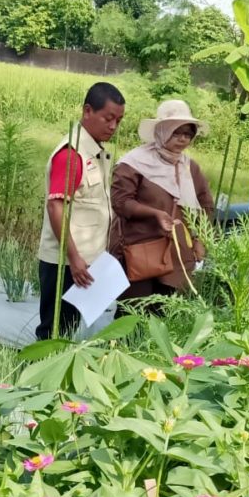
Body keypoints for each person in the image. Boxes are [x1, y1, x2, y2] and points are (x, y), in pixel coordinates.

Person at [35, 82, 125, 340]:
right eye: (108, 118)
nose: (113, 126)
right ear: (87, 111)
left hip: (85, 262)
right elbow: (55, 206)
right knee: (54, 332)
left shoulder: (95, 153)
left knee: (67, 329)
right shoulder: (71, 155)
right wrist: (74, 258)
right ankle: (40, 366)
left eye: (118, 121)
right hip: (66, 263)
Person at [109, 100, 213, 315]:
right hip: (139, 249)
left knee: (163, 315)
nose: (182, 139)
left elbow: (205, 206)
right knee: (132, 313)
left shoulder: (189, 167)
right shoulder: (134, 163)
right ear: (162, 131)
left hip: (177, 254)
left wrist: (200, 240)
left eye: (188, 134)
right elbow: (120, 201)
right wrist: (154, 214)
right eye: (176, 133)